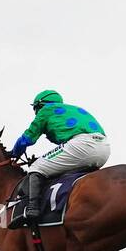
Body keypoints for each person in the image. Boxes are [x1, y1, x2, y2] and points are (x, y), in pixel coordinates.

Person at [7, 90, 111, 228]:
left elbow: (27, 138)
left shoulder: (46, 110)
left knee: (36, 167)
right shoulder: (73, 109)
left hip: (82, 145)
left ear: (40, 105)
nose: (36, 113)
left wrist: (14, 153)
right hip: (104, 148)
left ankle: (32, 209)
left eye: (35, 109)